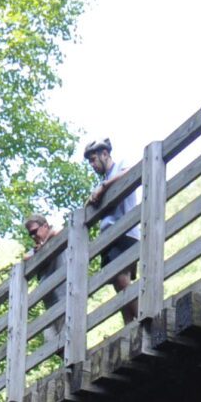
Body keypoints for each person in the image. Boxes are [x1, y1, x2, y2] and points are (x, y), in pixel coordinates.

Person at [82, 138, 140, 323]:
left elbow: (131, 172)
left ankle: (143, 317)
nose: (92, 165)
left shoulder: (120, 166)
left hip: (125, 231)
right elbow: (87, 208)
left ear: (105, 154)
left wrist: (104, 187)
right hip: (109, 237)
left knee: (121, 278)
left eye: (93, 159)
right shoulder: (102, 184)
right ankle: (129, 326)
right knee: (118, 283)